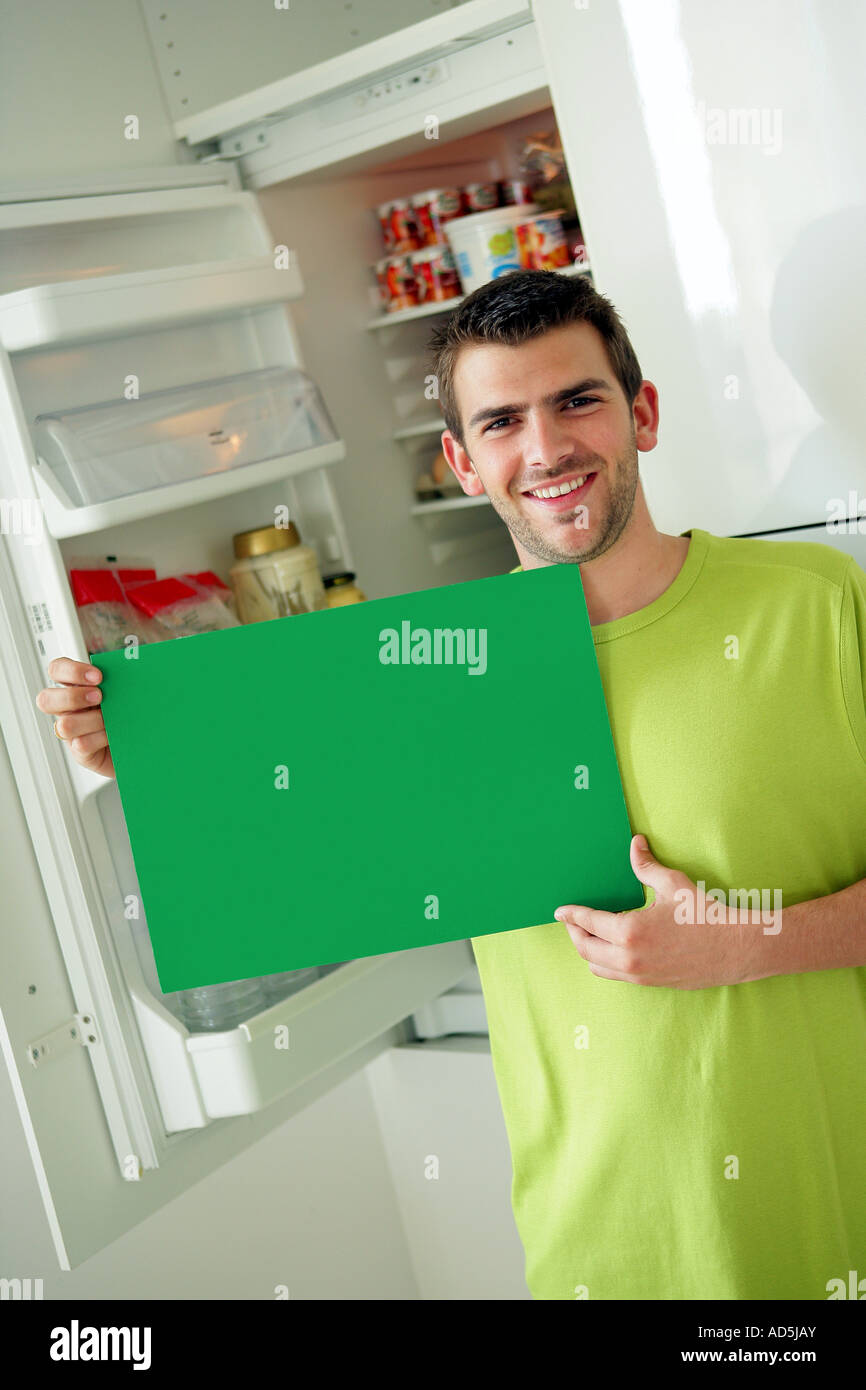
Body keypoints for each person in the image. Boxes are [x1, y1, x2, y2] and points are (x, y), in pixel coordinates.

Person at [37, 270, 866, 1300]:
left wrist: (741, 942)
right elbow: (281, 845)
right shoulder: (434, 673)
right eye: (501, 420)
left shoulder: (820, 603)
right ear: (462, 464)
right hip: (608, 1245)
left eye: (576, 400)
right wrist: (154, 755)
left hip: (835, 1213)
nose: (546, 447)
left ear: (639, 412)